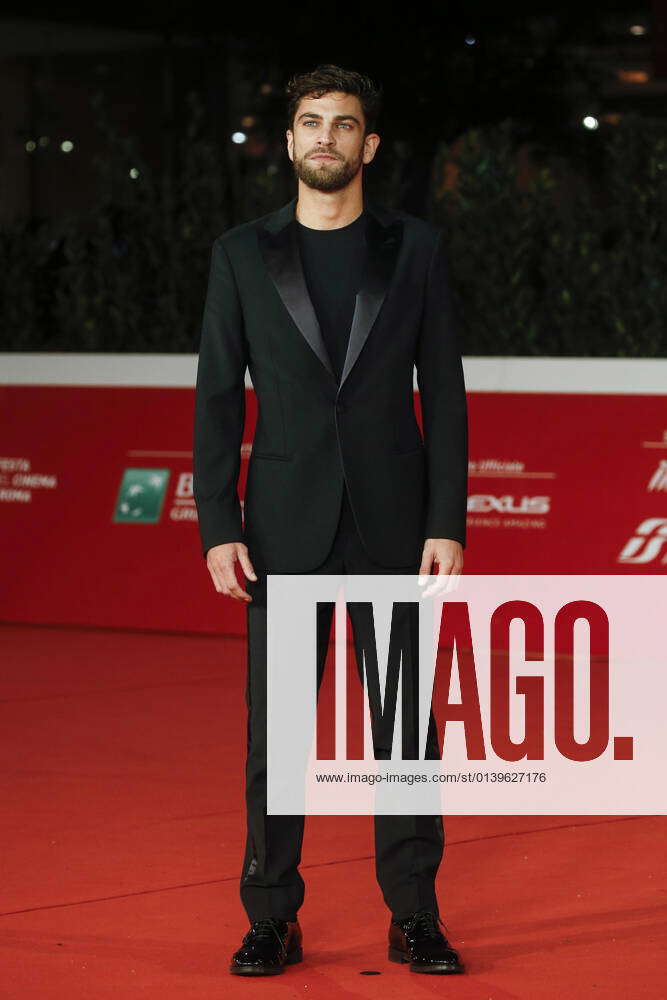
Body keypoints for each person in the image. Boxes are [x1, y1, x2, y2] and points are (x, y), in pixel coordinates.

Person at [192, 62, 468, 976]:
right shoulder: (240, 253)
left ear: (368, 145)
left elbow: (446, 394)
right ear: (288, 140)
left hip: (393, 523)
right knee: (278, 736)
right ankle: (271, 914)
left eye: (343, 124)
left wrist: (445, 518)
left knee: (403, 730)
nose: (325, 137)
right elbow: (217, 402)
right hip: (280, 528)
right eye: (310, 121)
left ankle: (415, 914)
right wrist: (219, 525)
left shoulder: (416, 249)